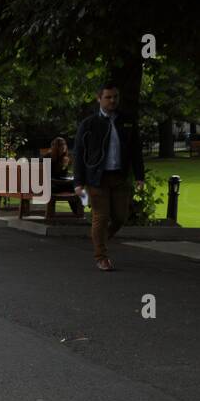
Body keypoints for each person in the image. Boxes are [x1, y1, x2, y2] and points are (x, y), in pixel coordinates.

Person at [73, 82, 145, 272]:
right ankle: (101, 257)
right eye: (108, 97)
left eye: (115, 97)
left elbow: (136, 150)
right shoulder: (88, 124)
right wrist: (78, 182)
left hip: (120, 177)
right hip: (97, 178)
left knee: (121, 217)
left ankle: (100, 240)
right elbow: (78, 154)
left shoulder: (127, 121)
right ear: (99, 99)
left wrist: (139, 176)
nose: (113, 100)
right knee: (101, 217)